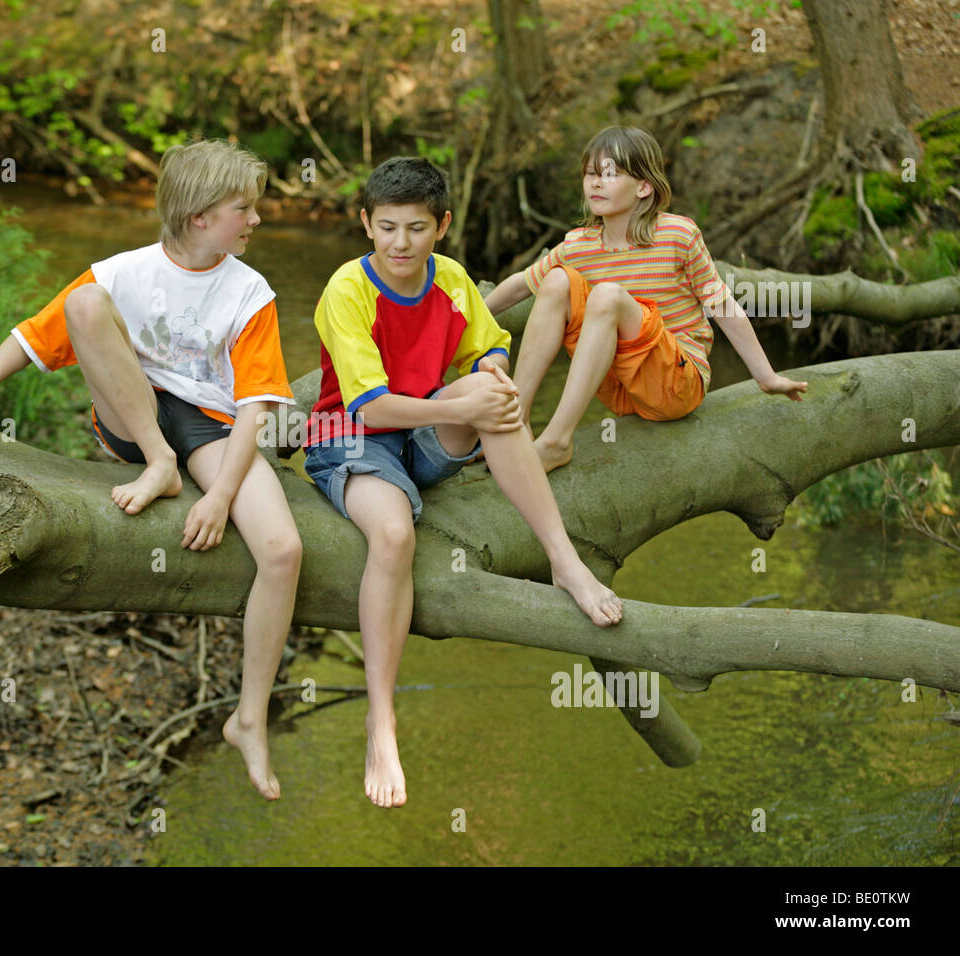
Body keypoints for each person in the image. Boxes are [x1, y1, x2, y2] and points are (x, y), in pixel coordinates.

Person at [0, 140, 301, 800]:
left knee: (285, 550)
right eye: (245, 208)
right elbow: (38, 333)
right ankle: (159, 466)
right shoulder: (122, 272)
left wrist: (221, 496)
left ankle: (249, 719)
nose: (257, 219)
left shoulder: (250, 291)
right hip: (134, 414)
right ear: (201, 215)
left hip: (213, 426)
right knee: (84, 304)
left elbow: (256, 407)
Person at [302, 156, 623, 809]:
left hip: (423, 435)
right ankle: (381, 722)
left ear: (441, 226)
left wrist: (493, 379)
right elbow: (369, 407)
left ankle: (565, 563)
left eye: (416, 228)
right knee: (393, 536)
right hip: (349, 439)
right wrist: (463, 409)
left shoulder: (449, 280)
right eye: (386, 227)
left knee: (490, 388)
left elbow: (488, 345)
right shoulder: (347, 290)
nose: (400, 243)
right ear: (366, 223)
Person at [483, 125, 808, 473]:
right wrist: (464, 315)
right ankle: (514, 423)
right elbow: (520, 285)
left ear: (644, 186)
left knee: (607, 295)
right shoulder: (579, 246)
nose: (595, 182)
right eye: (590, 173)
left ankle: (557, 440)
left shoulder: (677, 235)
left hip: (675, 384)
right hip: (620, 388)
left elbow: (721, 305)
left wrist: (766, 376)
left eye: (609, 174)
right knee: (557, 279)